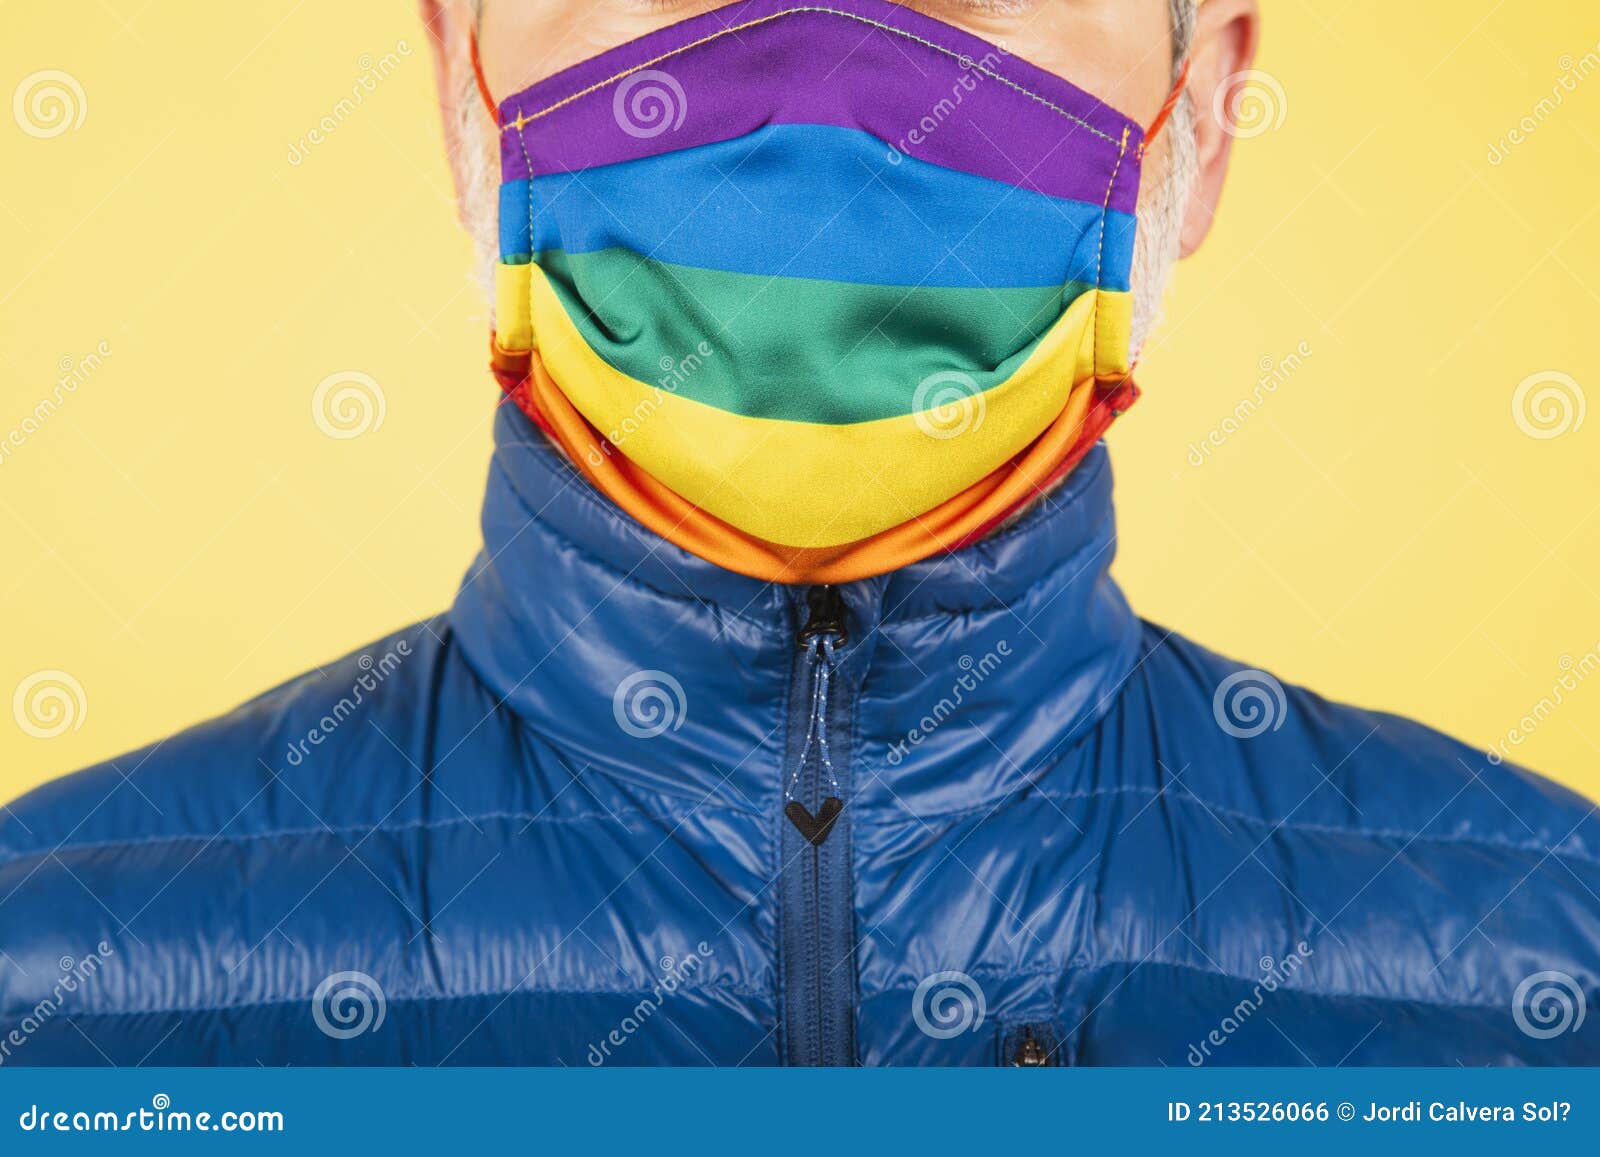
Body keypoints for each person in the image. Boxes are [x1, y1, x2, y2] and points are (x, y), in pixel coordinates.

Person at [2, 0, 1596, 1067]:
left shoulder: (1550, 977)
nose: (816, 95)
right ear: (452, 85)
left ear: (1212, 118)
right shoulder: (49, 981)